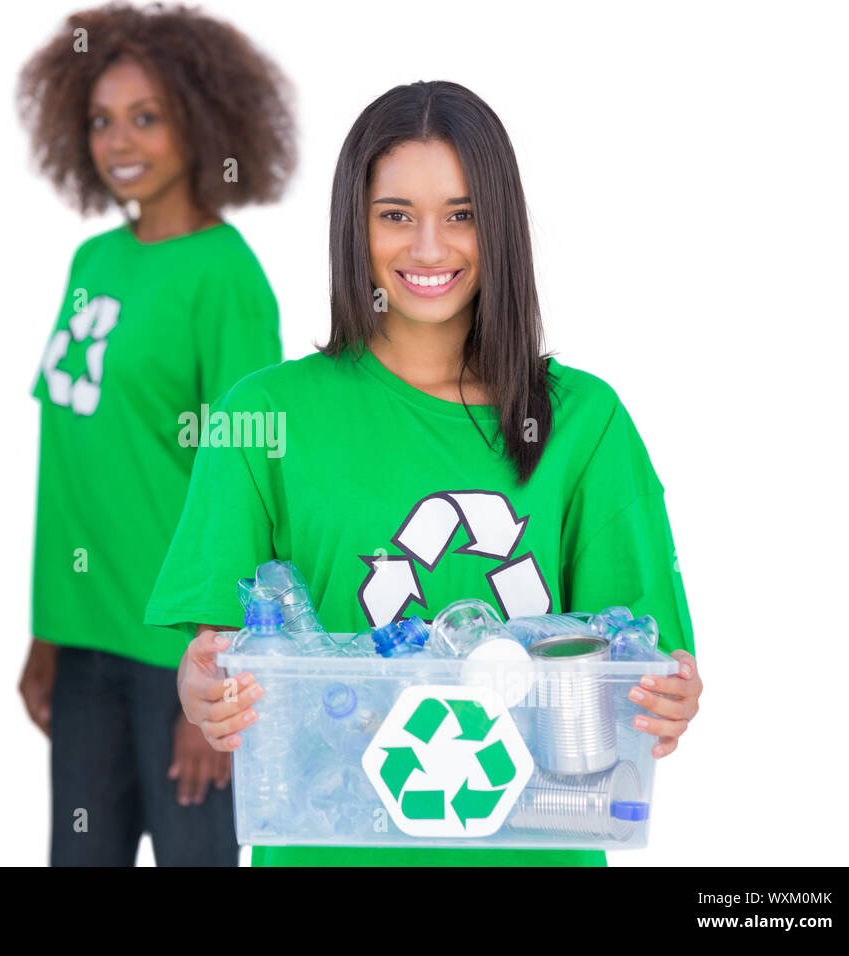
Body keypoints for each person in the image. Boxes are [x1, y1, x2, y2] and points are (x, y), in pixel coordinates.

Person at [148, 81, 704, 867]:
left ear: (500, 225)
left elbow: (642, 668)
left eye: (462, 214)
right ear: (355, 224)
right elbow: (218, 654)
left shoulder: (586, 421)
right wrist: (202, 688)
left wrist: (667, 698)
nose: (429, 249)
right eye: (395, 214)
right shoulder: (265, 415)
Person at [16, 2, 296, 865]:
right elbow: (75, 467)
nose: (118, 140)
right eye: (101, 119)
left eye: (146, 116)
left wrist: (218, 680)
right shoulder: (92, 262)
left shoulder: (225, 278)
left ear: (203, 122)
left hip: (178, 656)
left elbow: (254, 488)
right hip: (85, 641)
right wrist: (45, 631)